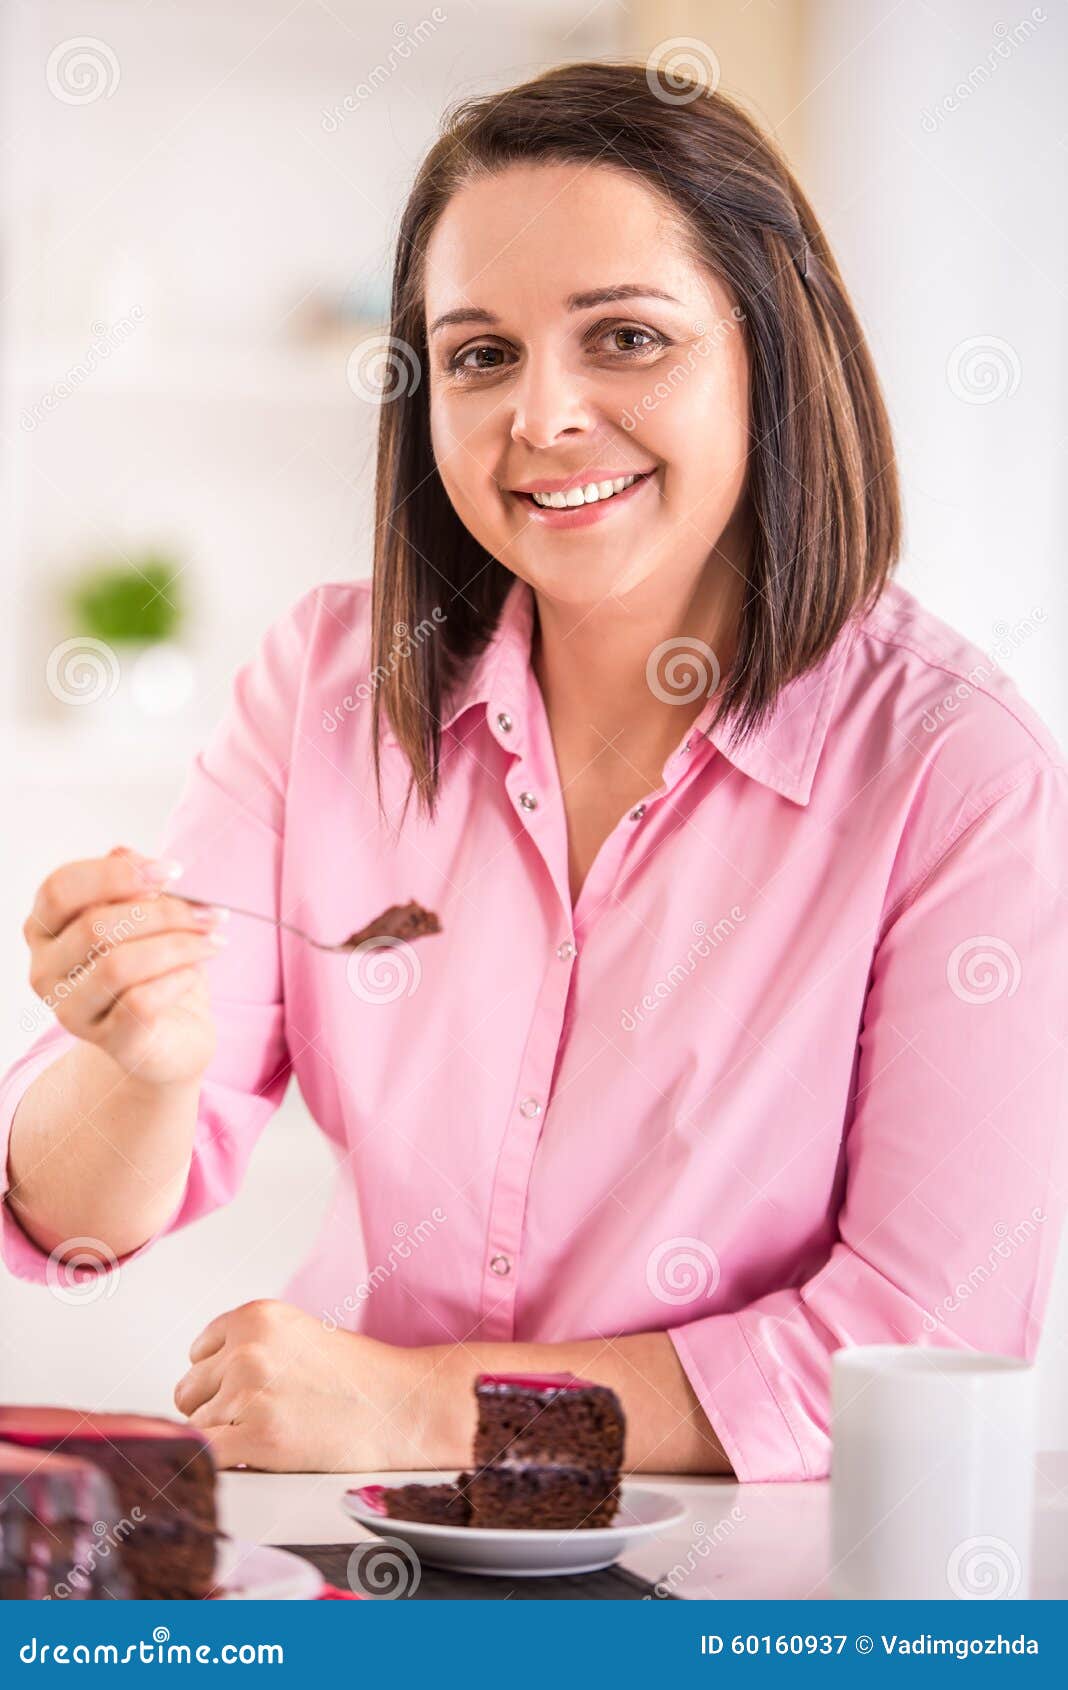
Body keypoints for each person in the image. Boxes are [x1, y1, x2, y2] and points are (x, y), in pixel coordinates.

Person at [3, 62, 1066, 1484]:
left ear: (774, 351)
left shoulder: (954, 772)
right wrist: (140, 1066)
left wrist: (431, 1411)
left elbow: (923, 1339)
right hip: (360, 1562)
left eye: (624, 337)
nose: (541, 417)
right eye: (480, 354)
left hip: (736, 1593)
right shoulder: (327, 689)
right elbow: (76, 1212)